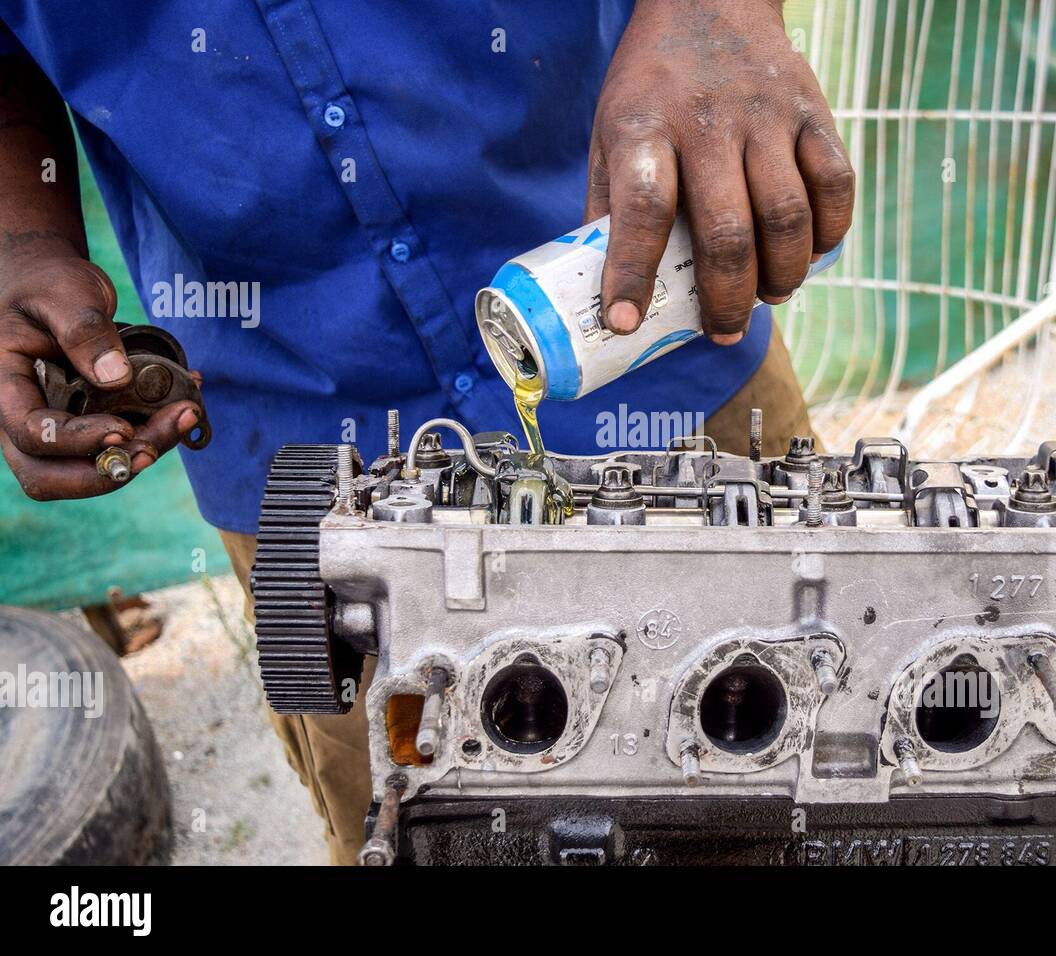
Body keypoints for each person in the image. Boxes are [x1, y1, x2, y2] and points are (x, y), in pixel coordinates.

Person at [0, 1, 854, 863]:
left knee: (805, 793)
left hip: (658, 350)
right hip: (309, 457)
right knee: (420, 825)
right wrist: (22, 241)